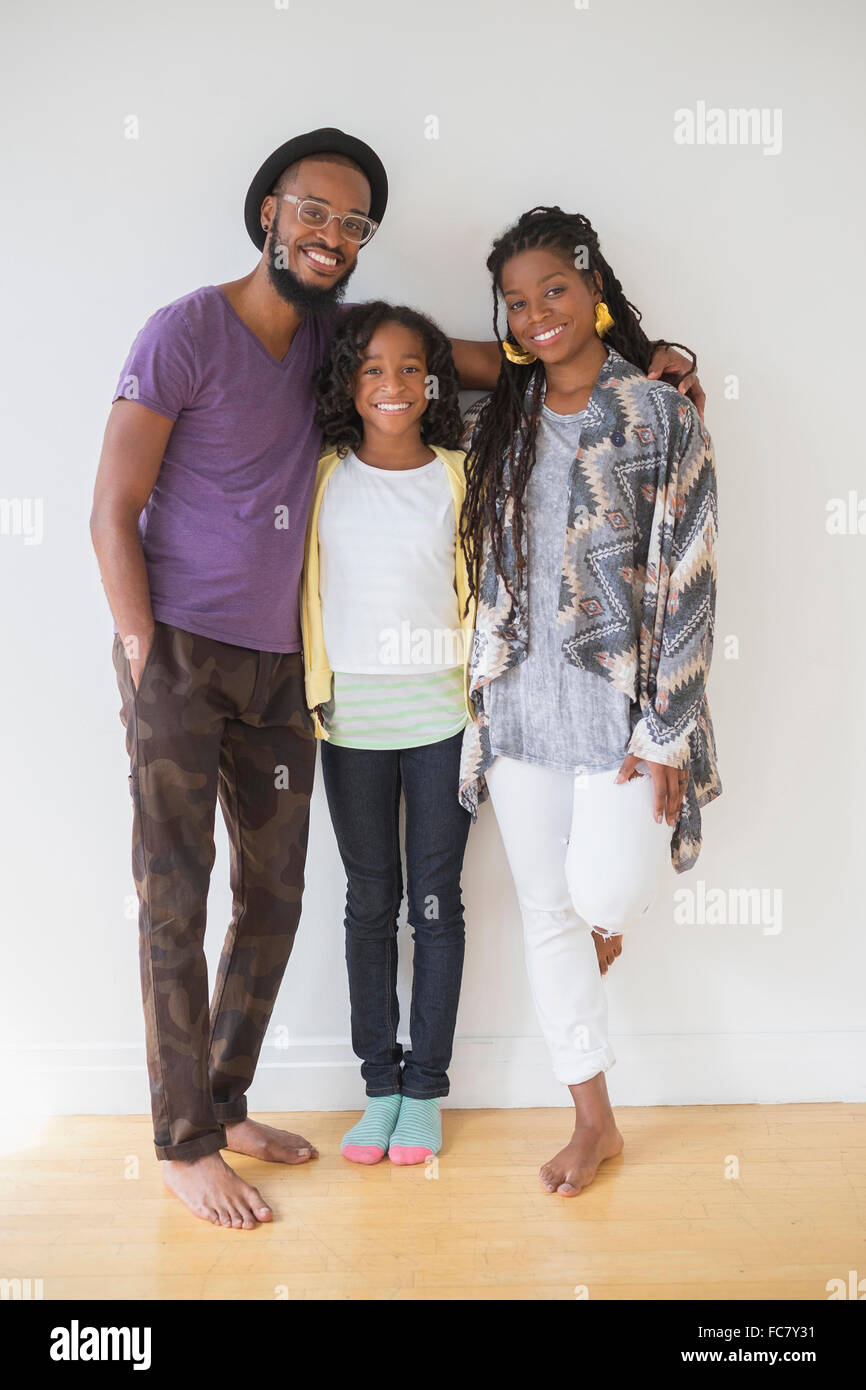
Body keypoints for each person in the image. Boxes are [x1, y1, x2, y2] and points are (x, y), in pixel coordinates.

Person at [90, 119, 706, 1227]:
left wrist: (644, 354)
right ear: (267, 211)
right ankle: (183, 1141)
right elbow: (110, 508)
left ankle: (224, 1103)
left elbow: (497, 354)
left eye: (352, 221)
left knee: (272, 899)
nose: (330, 233)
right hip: (180, 655)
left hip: (286, 673)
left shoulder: (337, 341)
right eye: (311, 210)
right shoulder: (185, 329)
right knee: (175, 897)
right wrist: (140, 651)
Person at [457, 206, 722, 1198]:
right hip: (521, 711)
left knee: (599, 895)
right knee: (542, 917)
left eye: (553, 293)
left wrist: (665, 731)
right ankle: (592, 1118)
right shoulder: (506, 418)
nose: (536, 318)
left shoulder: (659, 414)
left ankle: (596, 934)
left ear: (593, 288)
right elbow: (382, 363)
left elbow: (688, 577)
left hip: (621, 718)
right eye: (516, 305)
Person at [301, 301, 473, 1165]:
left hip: (443, 718)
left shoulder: (457, 475)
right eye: (372, 368)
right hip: (353, 721)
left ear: (434, 382)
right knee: (371, 905)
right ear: (348, 384)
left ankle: (426, 1090)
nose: (392, 384)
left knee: (434, 906)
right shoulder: (324, 475)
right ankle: (379, 1083)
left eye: (410, 367)